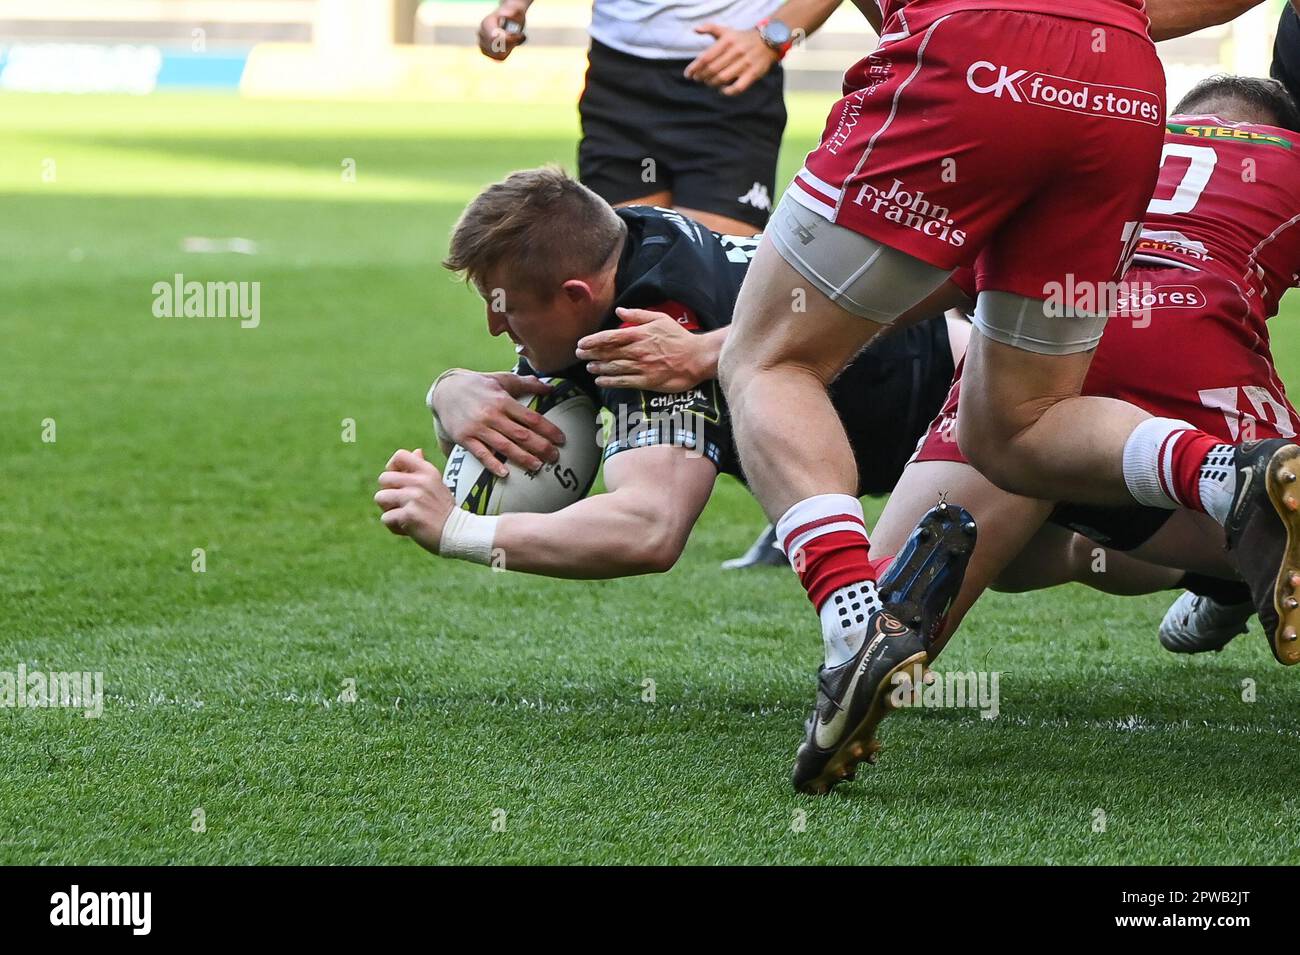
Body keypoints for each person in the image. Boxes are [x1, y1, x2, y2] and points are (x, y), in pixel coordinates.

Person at [713, 0, 1300, 795]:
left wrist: (780, 32)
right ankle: (1226, 481)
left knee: (769, 359)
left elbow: (941, 280)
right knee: (1020, 428)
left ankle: (855, 615)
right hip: (1121, 78)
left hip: (977, 51)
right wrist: (1114, 30)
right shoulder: (1275, 154)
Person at [868, 74, 1300, 663]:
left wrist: (764, 352)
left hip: (1040, 345)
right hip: (1194, 337)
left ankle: (878, 643)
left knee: (986, 564)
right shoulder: (1284, 160)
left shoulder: (1106, 137)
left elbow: (940, 271)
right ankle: (1231, 555)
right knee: (1271, 501)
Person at [378, 167, 966, 584]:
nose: (492, 326)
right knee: (1026, 563)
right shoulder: (622, 239)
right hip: (936, 398)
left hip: (961, 407)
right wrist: (448, 388)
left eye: (502, 304)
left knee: (963, 583)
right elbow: (548, 383)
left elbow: (649, 527)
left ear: (577, 295)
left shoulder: (649, 327)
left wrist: (454, 530)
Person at [477, 0, 846, 235]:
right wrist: (514, 6)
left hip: (730, 82)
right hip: (620, 79)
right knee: (622, 286)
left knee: (712, 287)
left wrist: (772, 36)